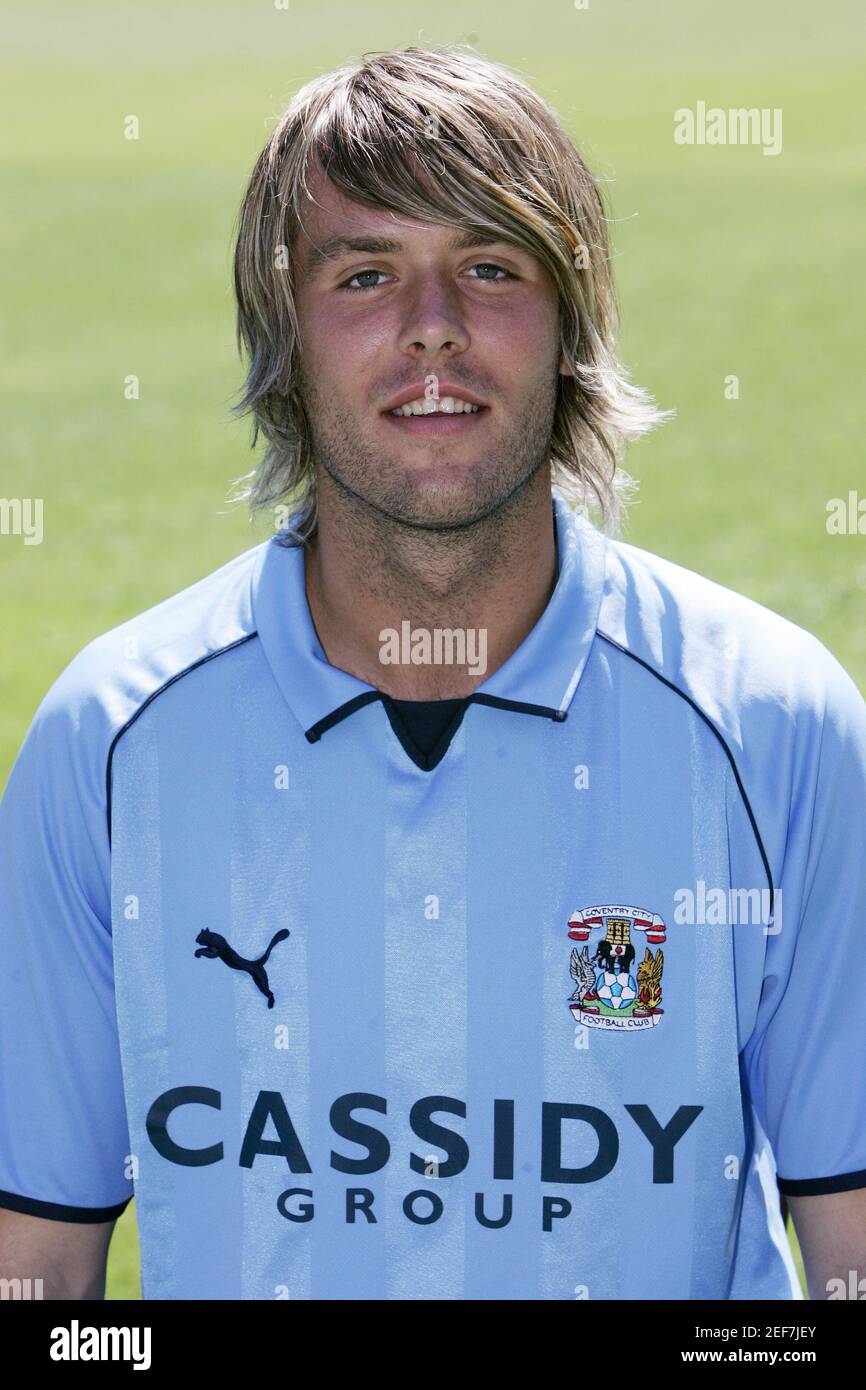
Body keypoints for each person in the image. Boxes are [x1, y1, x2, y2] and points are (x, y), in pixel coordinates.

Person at [1, 45, 864, 1302]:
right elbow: (40, 1275)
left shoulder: (776, 726)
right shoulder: (110, 741)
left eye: (490, 267)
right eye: (363, 275)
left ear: (568, 321)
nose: (432, 329)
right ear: (282, 335)